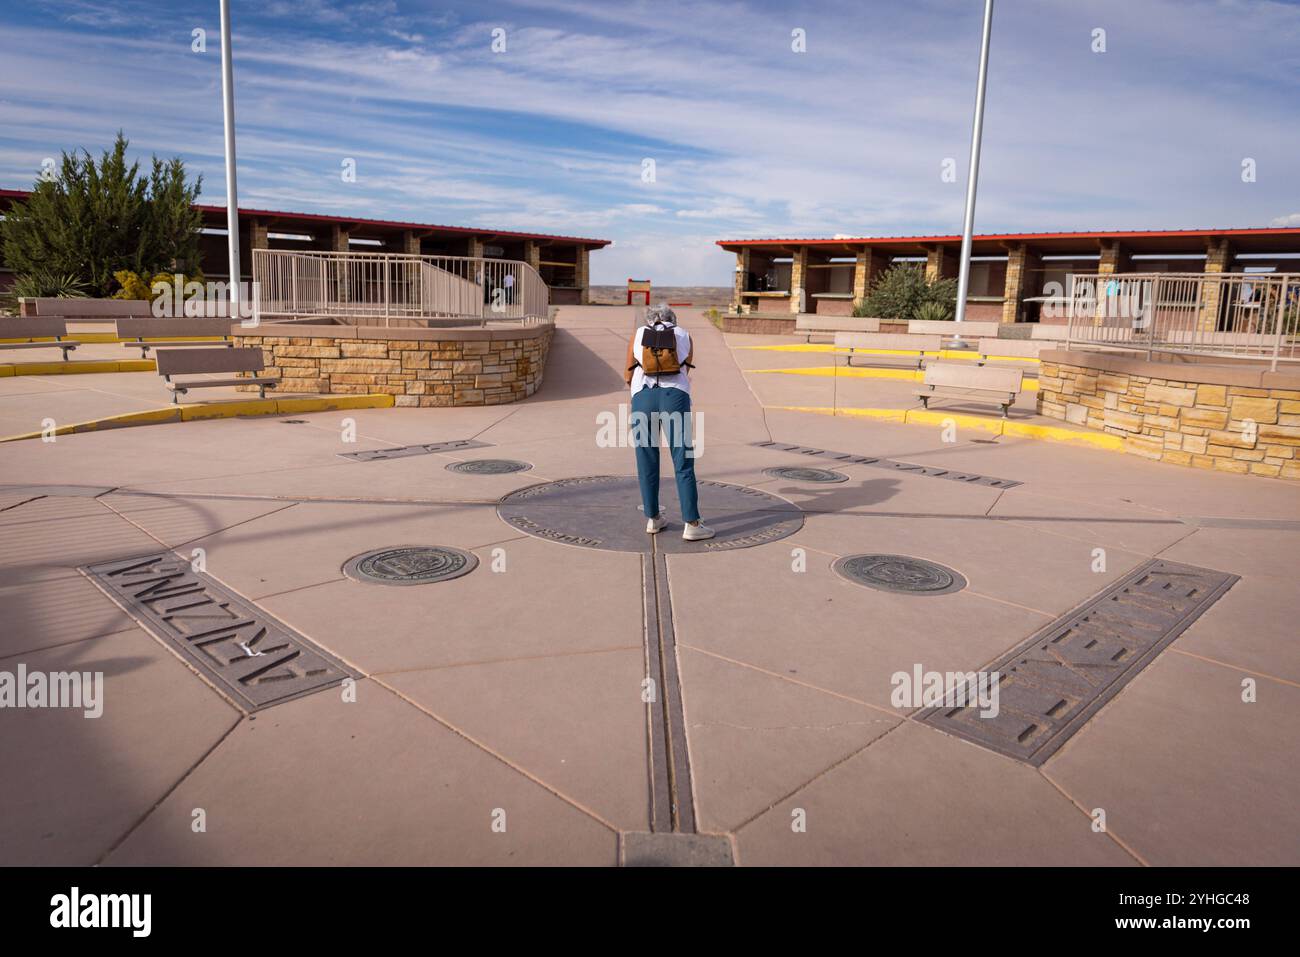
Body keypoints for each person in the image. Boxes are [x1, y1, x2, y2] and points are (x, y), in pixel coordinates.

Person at [624, 305, 714, 541]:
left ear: (650, 319)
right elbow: (686, 366)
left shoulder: (639, 334)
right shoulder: (684, 335)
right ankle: (692, 523)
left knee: (646, 458)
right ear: (672, 319)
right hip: (674, 397)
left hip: (642, 397)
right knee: (682, 459)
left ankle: (653, 518)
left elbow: (627, 373)